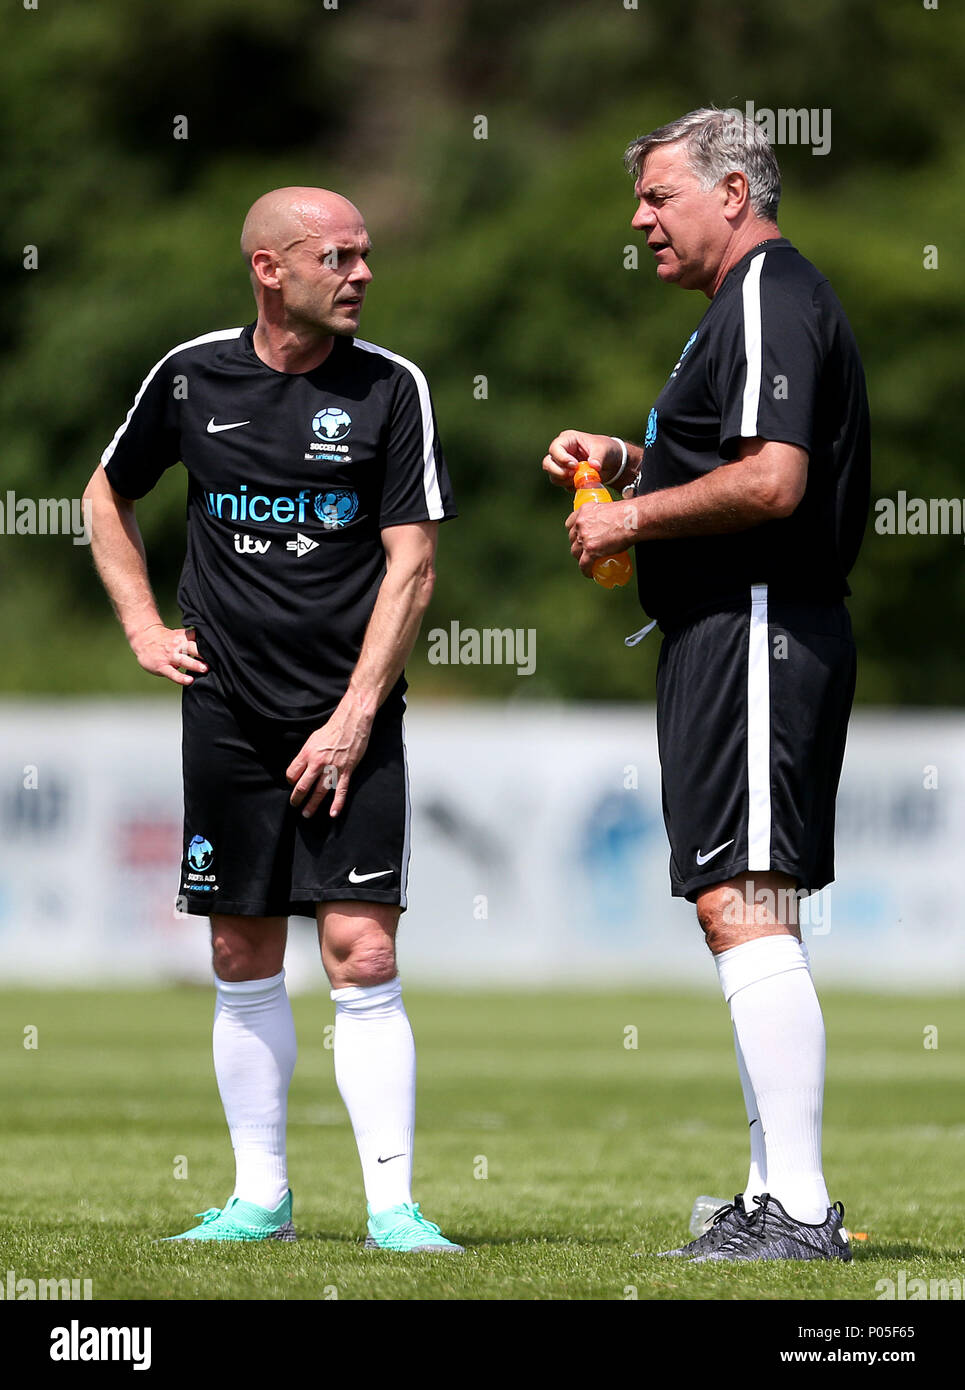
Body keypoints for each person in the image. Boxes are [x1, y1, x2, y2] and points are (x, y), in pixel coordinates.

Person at [84, 187, 462, 1252]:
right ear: (270, 268)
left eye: (365, 254)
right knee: (242, 948)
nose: (361, 274)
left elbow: (413, 564)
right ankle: (263, 1200)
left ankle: (393, 1206)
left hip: (350, 717)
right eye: (337, 255)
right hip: (226, 714)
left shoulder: (392, 389)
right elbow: (105, 494)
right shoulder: (193, 373)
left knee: (362, 951)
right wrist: (142, 626)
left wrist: (352, 713)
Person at [543, 109, 869, 1261]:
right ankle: (768, 1192)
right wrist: (627, 461)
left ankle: (801, 1211)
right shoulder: (736, 309)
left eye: (656, 197)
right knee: (739, 905)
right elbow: (728, 456)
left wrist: (629, 514)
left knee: (745, 900)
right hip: (723, 630)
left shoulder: (768, 294)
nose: (638, 221)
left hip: (757, 627)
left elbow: (774, 480)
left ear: (732, 192)